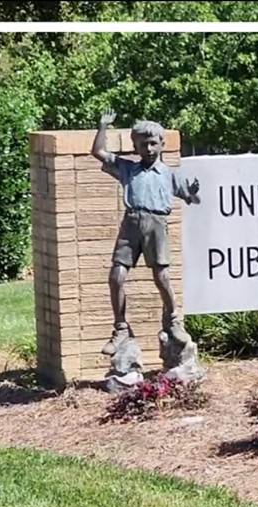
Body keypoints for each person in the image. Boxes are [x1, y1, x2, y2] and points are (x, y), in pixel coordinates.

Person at [91, 108, 201, 356]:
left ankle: (173, 321)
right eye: (143, 145)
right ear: (135, 146)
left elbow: (193, 199)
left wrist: (192, 190)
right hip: (131, 223)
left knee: (161, 278)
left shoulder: (169, 174)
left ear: (162, 144)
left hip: (156, 224)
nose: (148, 149)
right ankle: (120, 328)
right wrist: (103, 127)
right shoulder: (128, 169)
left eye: (153, 143)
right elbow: (98, 152)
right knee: (116, 276)